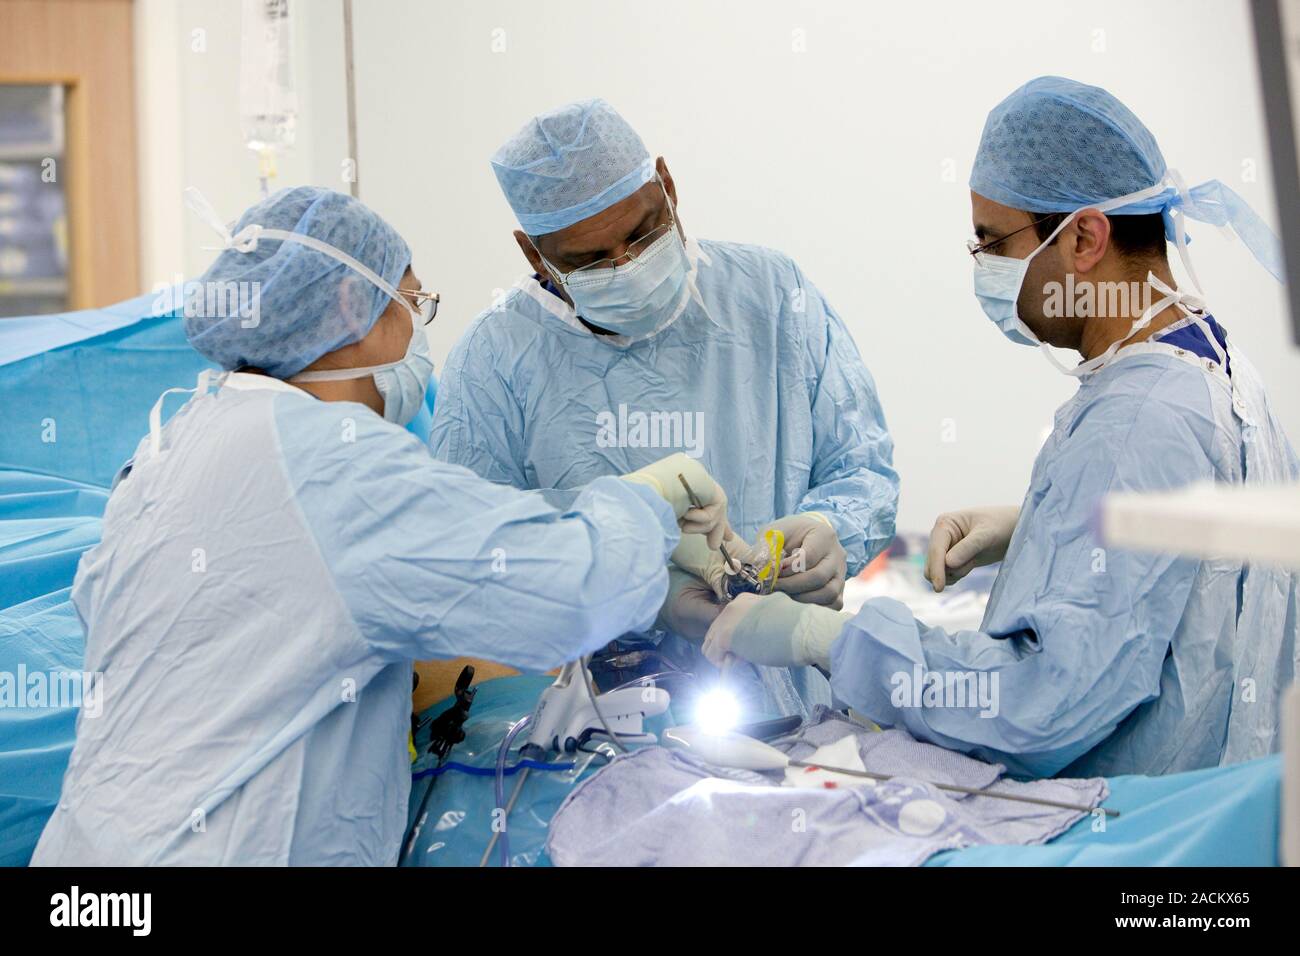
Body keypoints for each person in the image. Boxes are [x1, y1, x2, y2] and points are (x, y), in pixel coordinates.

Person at [32, 186, 731, 866]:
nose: (417, 336)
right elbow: (576, 593)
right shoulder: (334, 460)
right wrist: (642, 500)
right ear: (351, 303)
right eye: (413, 303)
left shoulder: (175, 445)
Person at [703, 76, 1299, 778]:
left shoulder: (1137, 418)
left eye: (992, 241)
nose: (981, 265)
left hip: (1122, 832)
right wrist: (1042, 524)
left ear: (1084, 237)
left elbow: (1038, 705)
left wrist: (825, 636)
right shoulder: (1214, 358)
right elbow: (1201, 549)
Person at [429, 98, 899, 718]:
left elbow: (863, 468)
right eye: (589, 260)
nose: (626, 266)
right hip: (588, 720)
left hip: (791, 699)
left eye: (642, 232)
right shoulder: (494, 359)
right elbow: (477, 560)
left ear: (667, 186)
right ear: (533, 253)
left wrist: (831, 529)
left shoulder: (772, 294)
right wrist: (652, 597)